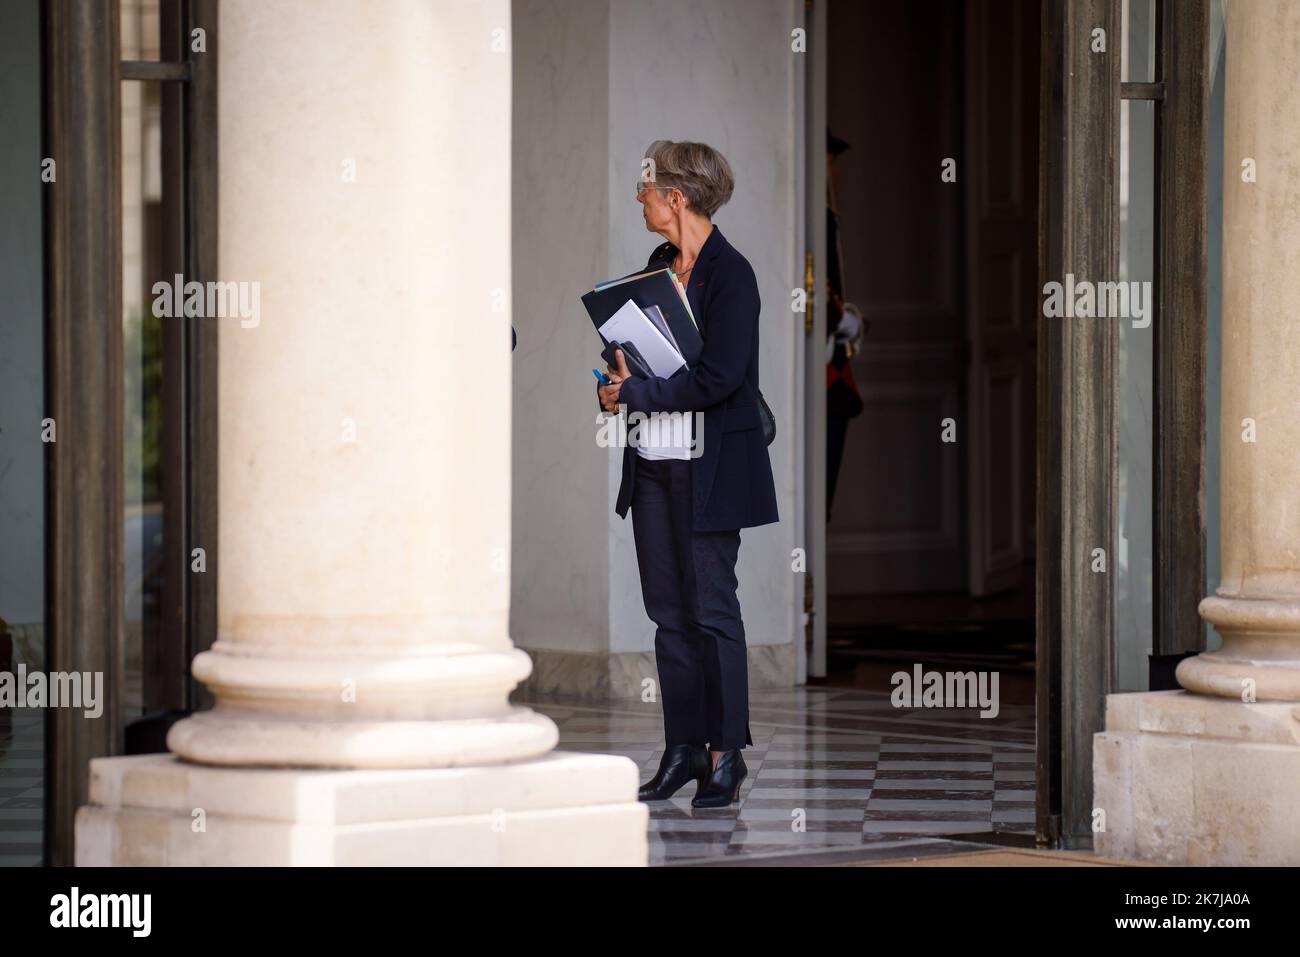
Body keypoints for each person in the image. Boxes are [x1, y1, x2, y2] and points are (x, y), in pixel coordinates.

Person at [597, 140, 778, 807]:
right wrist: (618, 384)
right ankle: (683, 751)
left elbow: (722, 377)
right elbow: (644, 359)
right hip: (654, 463)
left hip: (713, 470)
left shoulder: (735, 276)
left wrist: (639, 394)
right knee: (668, 616)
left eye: (645, 187)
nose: (638, 197)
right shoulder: (655, 267)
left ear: (677, 197)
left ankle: (725, 755)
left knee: (712, 612)